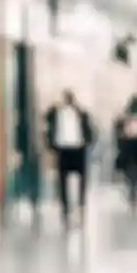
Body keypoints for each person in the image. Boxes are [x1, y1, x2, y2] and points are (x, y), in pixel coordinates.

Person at [44, 90, 95, 229]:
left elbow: (89, 129)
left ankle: (80, 207)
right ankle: (65, 210)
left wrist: (87, 142)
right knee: (62, 181)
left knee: (82, 180)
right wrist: (51, 144)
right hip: (63, 149)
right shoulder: (55, 113)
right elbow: (47, 124)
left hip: (78, 148)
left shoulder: (81, 113)